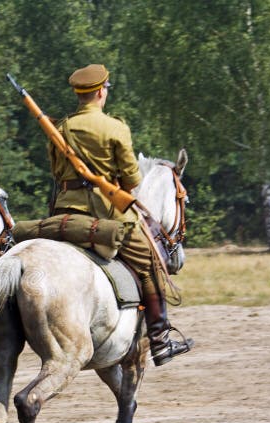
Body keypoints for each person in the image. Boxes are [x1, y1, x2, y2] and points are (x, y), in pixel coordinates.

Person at [48, 64, 194, 366]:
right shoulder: (115, 127)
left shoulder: (61, 129)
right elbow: (132, 181)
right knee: (150, 263)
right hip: (107, 218)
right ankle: (159, 340)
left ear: (79, 94)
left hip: (65, 214)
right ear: (101, 92)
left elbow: (55, 172)